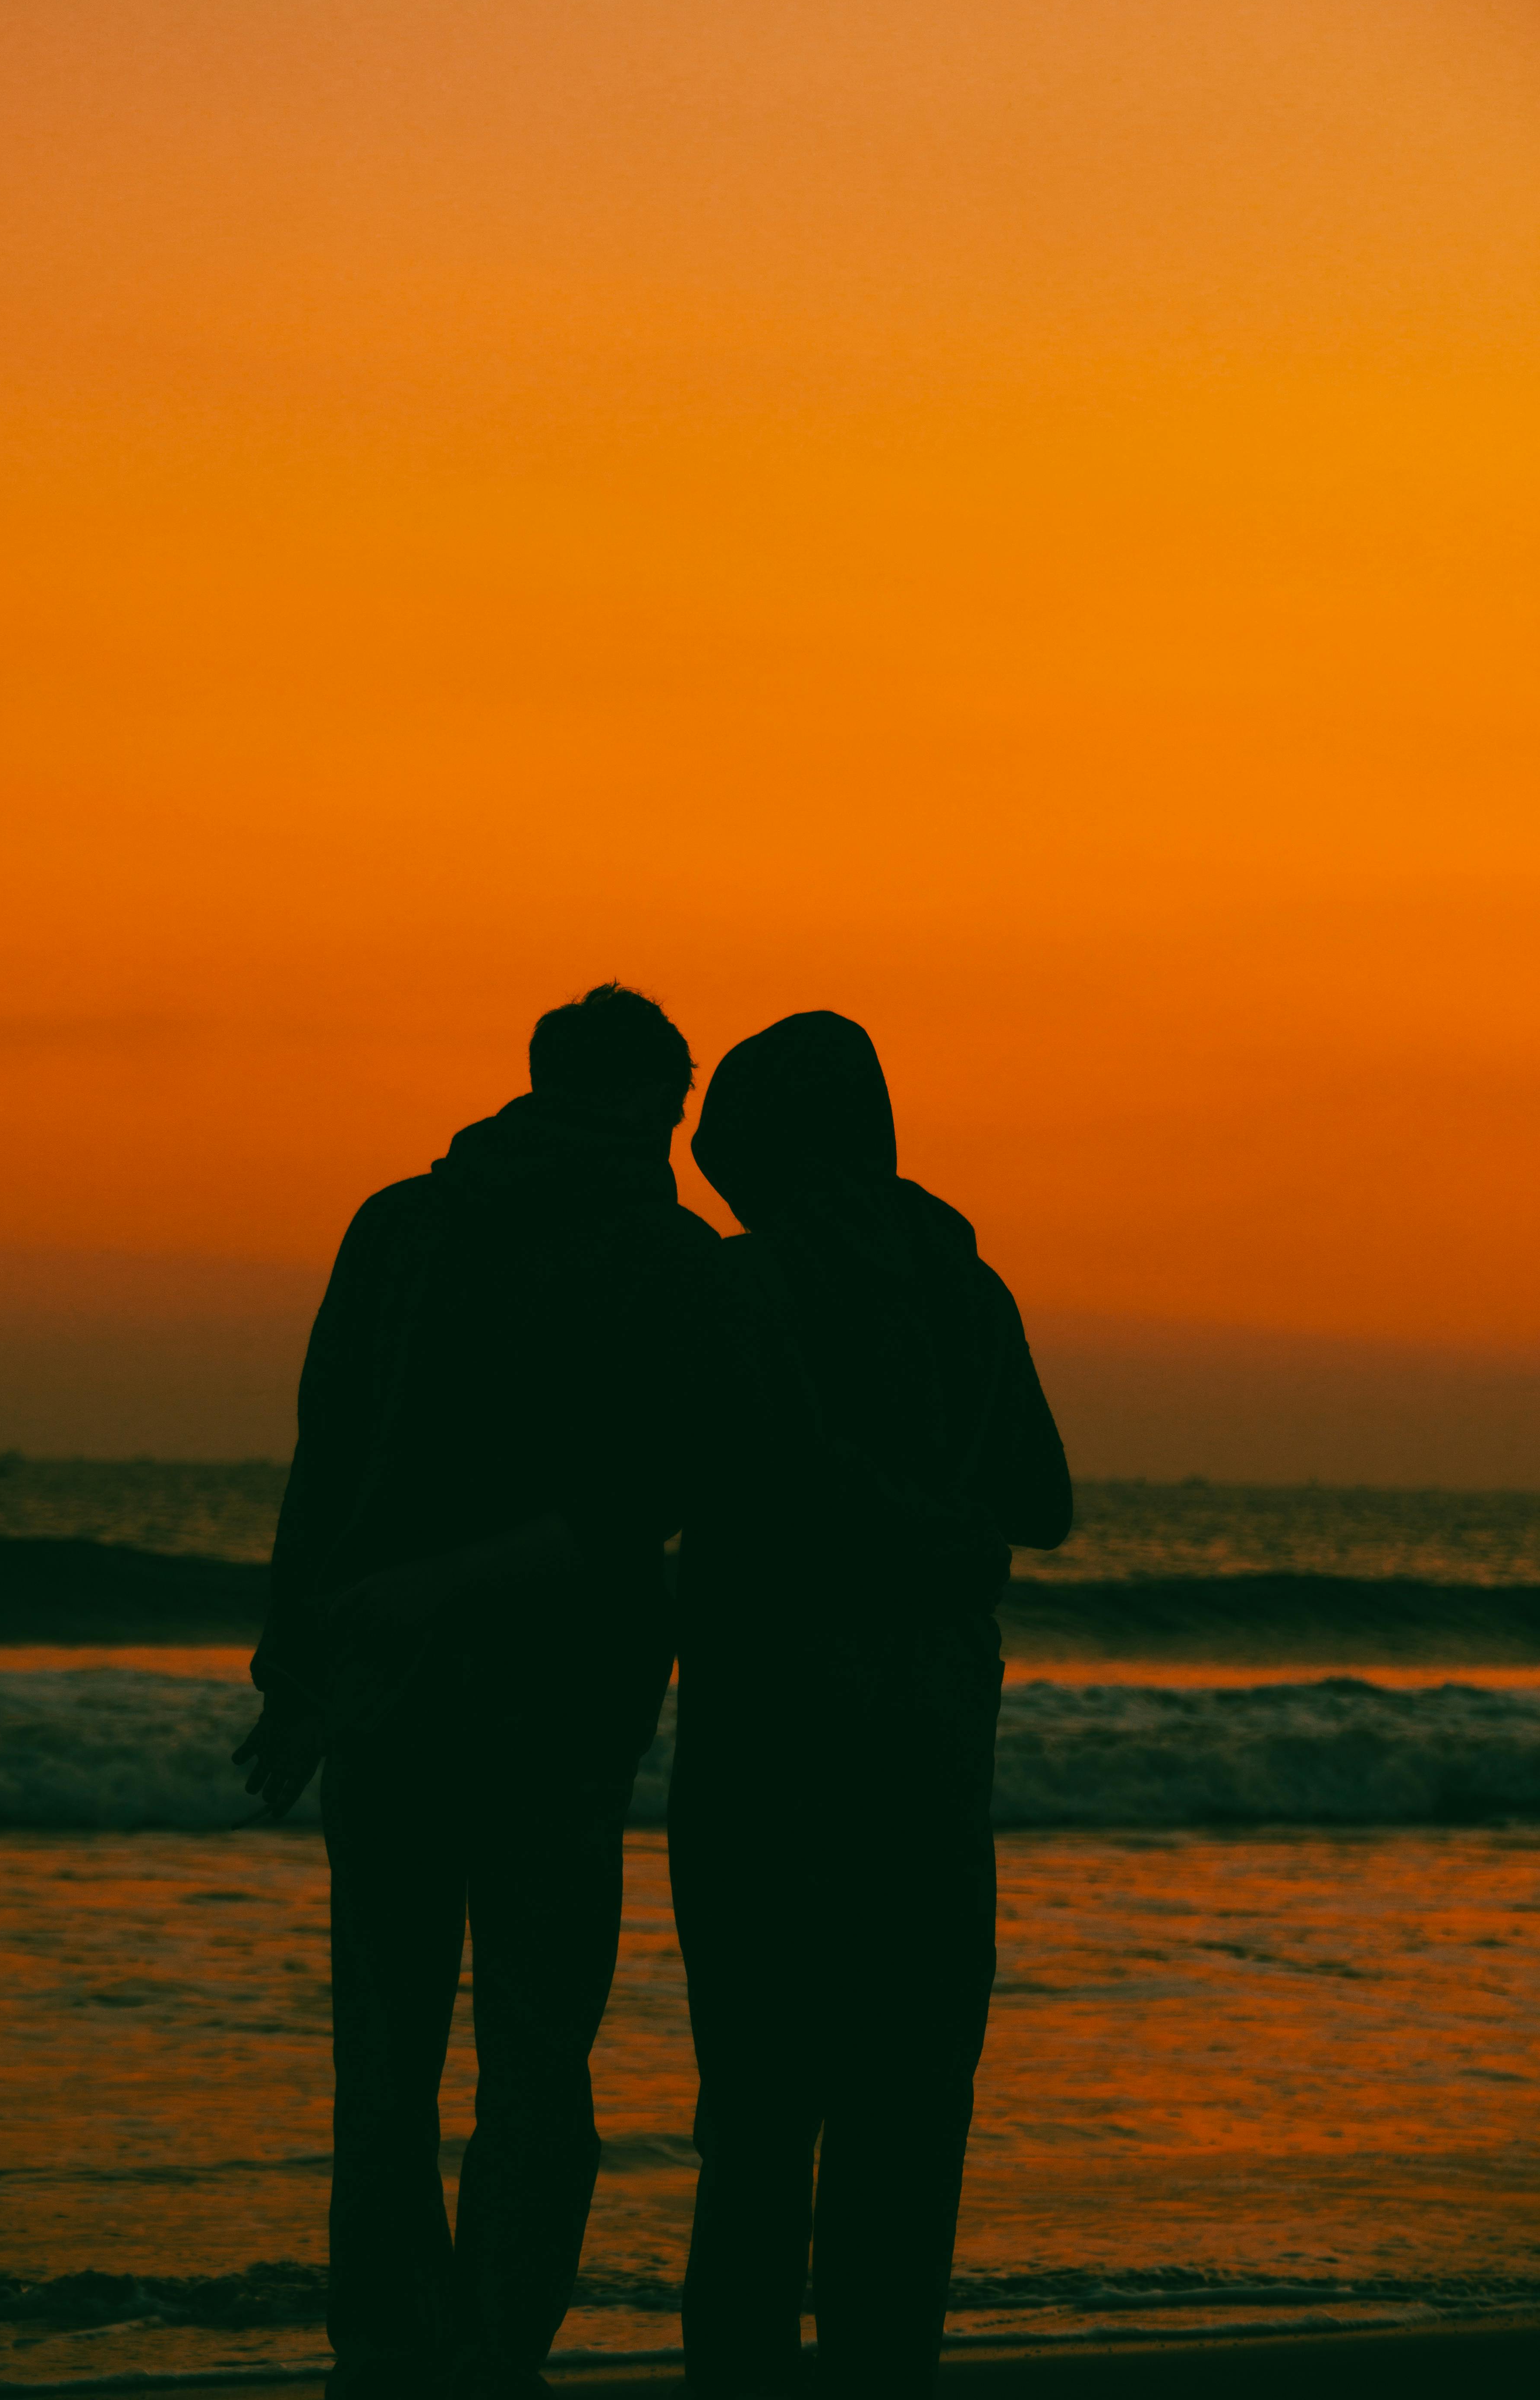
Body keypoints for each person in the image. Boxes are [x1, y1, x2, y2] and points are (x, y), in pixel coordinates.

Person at [233, 983, 717, 2400]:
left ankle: (385, 2344)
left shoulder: (399, 1225)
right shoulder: (662, 1251)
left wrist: (295, 1676)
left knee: (385, 2050)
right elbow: (646, 1495)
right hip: (562, 1711)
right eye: (670, 1108)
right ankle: (498, 2348)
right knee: (537, 2053)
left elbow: (326, 1464)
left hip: (384, 1694)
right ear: (646, 1100)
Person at [669, 1011, 1071, 2400]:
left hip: (765, 1751)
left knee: (760, 2116)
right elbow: (1044, 1502)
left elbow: (714, 1478)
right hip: (939, 1754)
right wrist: (944, 1524)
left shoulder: (742, 1284)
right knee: (911, 2116)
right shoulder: (973, 1289)